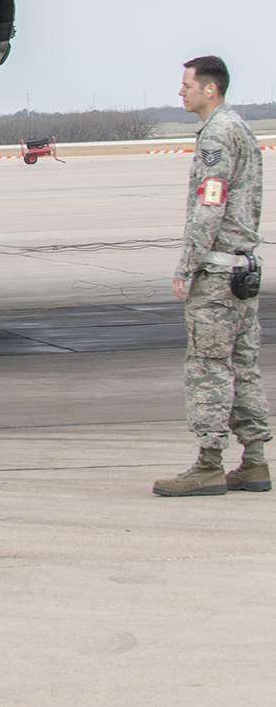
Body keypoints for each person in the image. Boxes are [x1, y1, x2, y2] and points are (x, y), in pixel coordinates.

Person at [153, 56, 268, 497]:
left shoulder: (216, 135)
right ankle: (255, 462)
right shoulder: (239, 127)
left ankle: (209, 463)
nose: (181, 92)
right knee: (245, 366)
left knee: (208, 368)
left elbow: (210, 204)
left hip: (217, 273)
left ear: (209, 90)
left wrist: (188, 265)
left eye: (187, 85)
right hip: (243, 268)